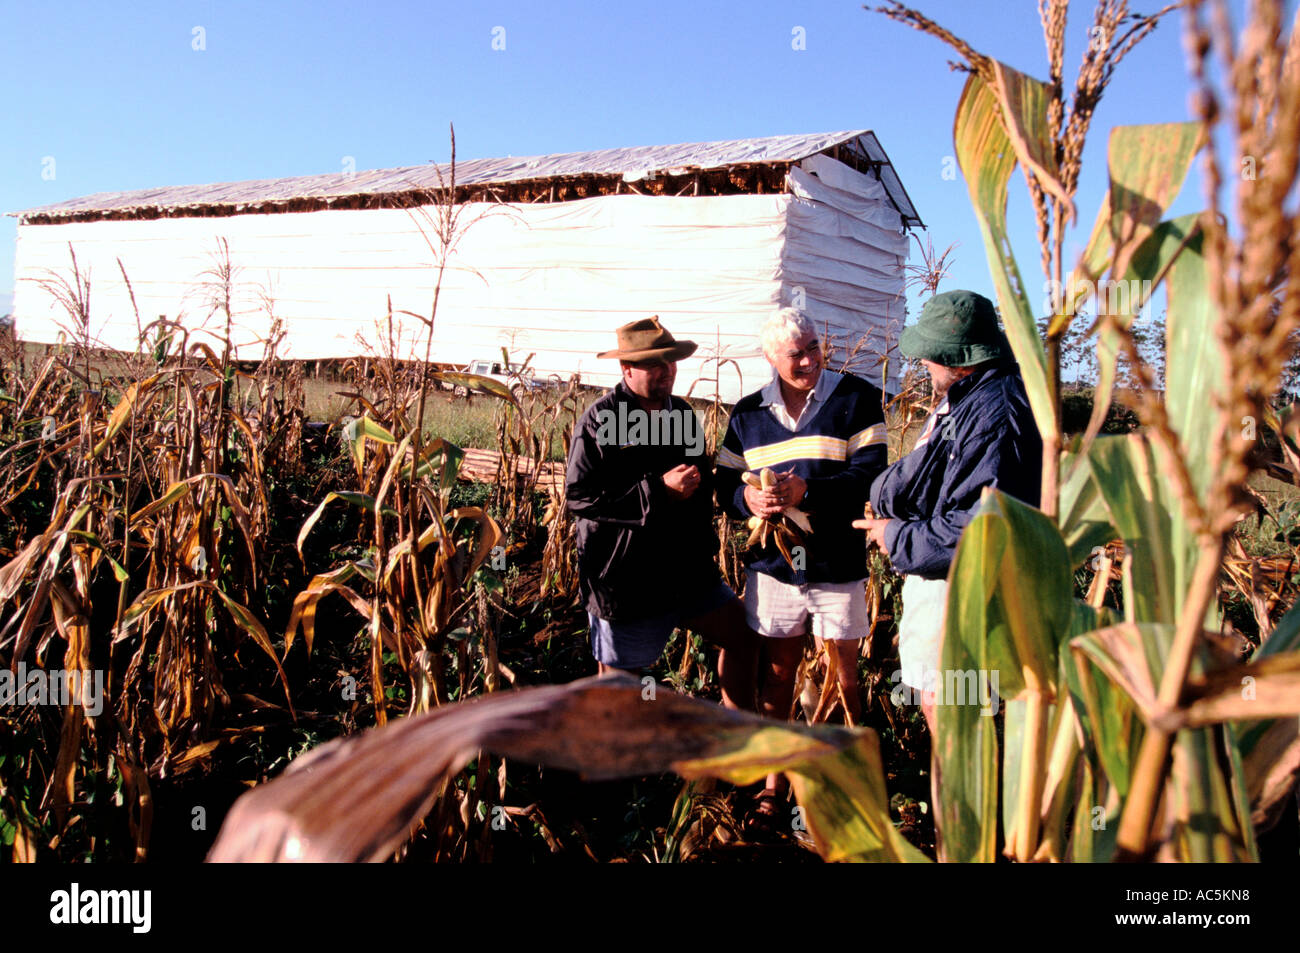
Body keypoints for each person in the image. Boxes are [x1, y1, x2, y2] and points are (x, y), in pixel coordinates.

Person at [715, 308, 887, 826]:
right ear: (771, 358)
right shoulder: (747, 415)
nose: (810, 360)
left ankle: (848, 779)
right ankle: (775, 783)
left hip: (837, 565)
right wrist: (750, 497)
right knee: (778, 675)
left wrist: (807, 490)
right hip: (774, 569)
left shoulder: (856, 400)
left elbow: (872, 476)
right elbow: (723, 485)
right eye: (797, 353)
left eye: (814, 347)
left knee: (845, 676)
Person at [856, 290, 1041, 732]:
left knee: (956, 717)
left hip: (965, 590)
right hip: (945, 581)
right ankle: (957, 800)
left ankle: (967, 802)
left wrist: (895, 538)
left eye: (930, 356)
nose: (924, 364)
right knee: (943, 705)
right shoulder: (966, 398)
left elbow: (980, 527)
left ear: (959, 359)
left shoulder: (996, 413)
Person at [565, 316, 760, 710]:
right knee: (621, 690)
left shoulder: (683, 416)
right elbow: (580, 496)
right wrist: (657, 490)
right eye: (655, 364)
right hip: (625, 580)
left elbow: (702, 488)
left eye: (670, 362)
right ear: (627, 369)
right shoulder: (601, 420)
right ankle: (619, 766)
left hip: (686, 574)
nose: (666, 371)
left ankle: (734, 732)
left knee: (744, 636)